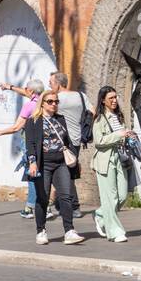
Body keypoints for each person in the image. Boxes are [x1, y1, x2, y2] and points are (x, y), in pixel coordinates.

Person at [25, 91, 84, 246]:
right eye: (50, 101)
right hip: (43, 164)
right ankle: (41, 231)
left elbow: (67, 141)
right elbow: (30, 144)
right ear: (42, 103)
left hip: (61, 163)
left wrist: (75, 160)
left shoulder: (60, 119)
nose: (54, 104)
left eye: (56, 101)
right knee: (42, 198)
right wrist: (32, 162)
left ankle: (69, 231)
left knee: (66, 196)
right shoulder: (33, 121)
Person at [0, 79, 48, 220]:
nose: (24, 90)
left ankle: (33, 208)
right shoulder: (45, 102)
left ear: (31, 91)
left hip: (30, 145)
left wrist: (0, 132)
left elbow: (16, 127)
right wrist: (10, 87)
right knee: (43, 176)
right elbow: (27, 92)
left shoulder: (29, 106)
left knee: (32, 176)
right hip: (46, 145)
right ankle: (42, 206)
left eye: (26, 89)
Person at [91, 86, 134, 243]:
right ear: (103, 101)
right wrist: (118, 135)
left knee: (122, 196)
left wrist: (128, 135)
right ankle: (115, 232)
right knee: (110, 198)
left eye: (115, 97)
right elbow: (99, 142)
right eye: (111, 98)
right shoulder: (99, 119)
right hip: (105, 160)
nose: (114, 100)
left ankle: (101, 215)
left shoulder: (118, 116)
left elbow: (120, 136)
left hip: (120, 159)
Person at [51, 71, 92, 219]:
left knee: (65, 173)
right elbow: (92, 112)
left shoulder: (56, 100)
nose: (50, 85)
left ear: (57, 84)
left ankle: (74, 207)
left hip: (61, 141)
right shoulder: (81, 96)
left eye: (51, 83)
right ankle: (60, 204)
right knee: (67, 171)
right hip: (76, 140)